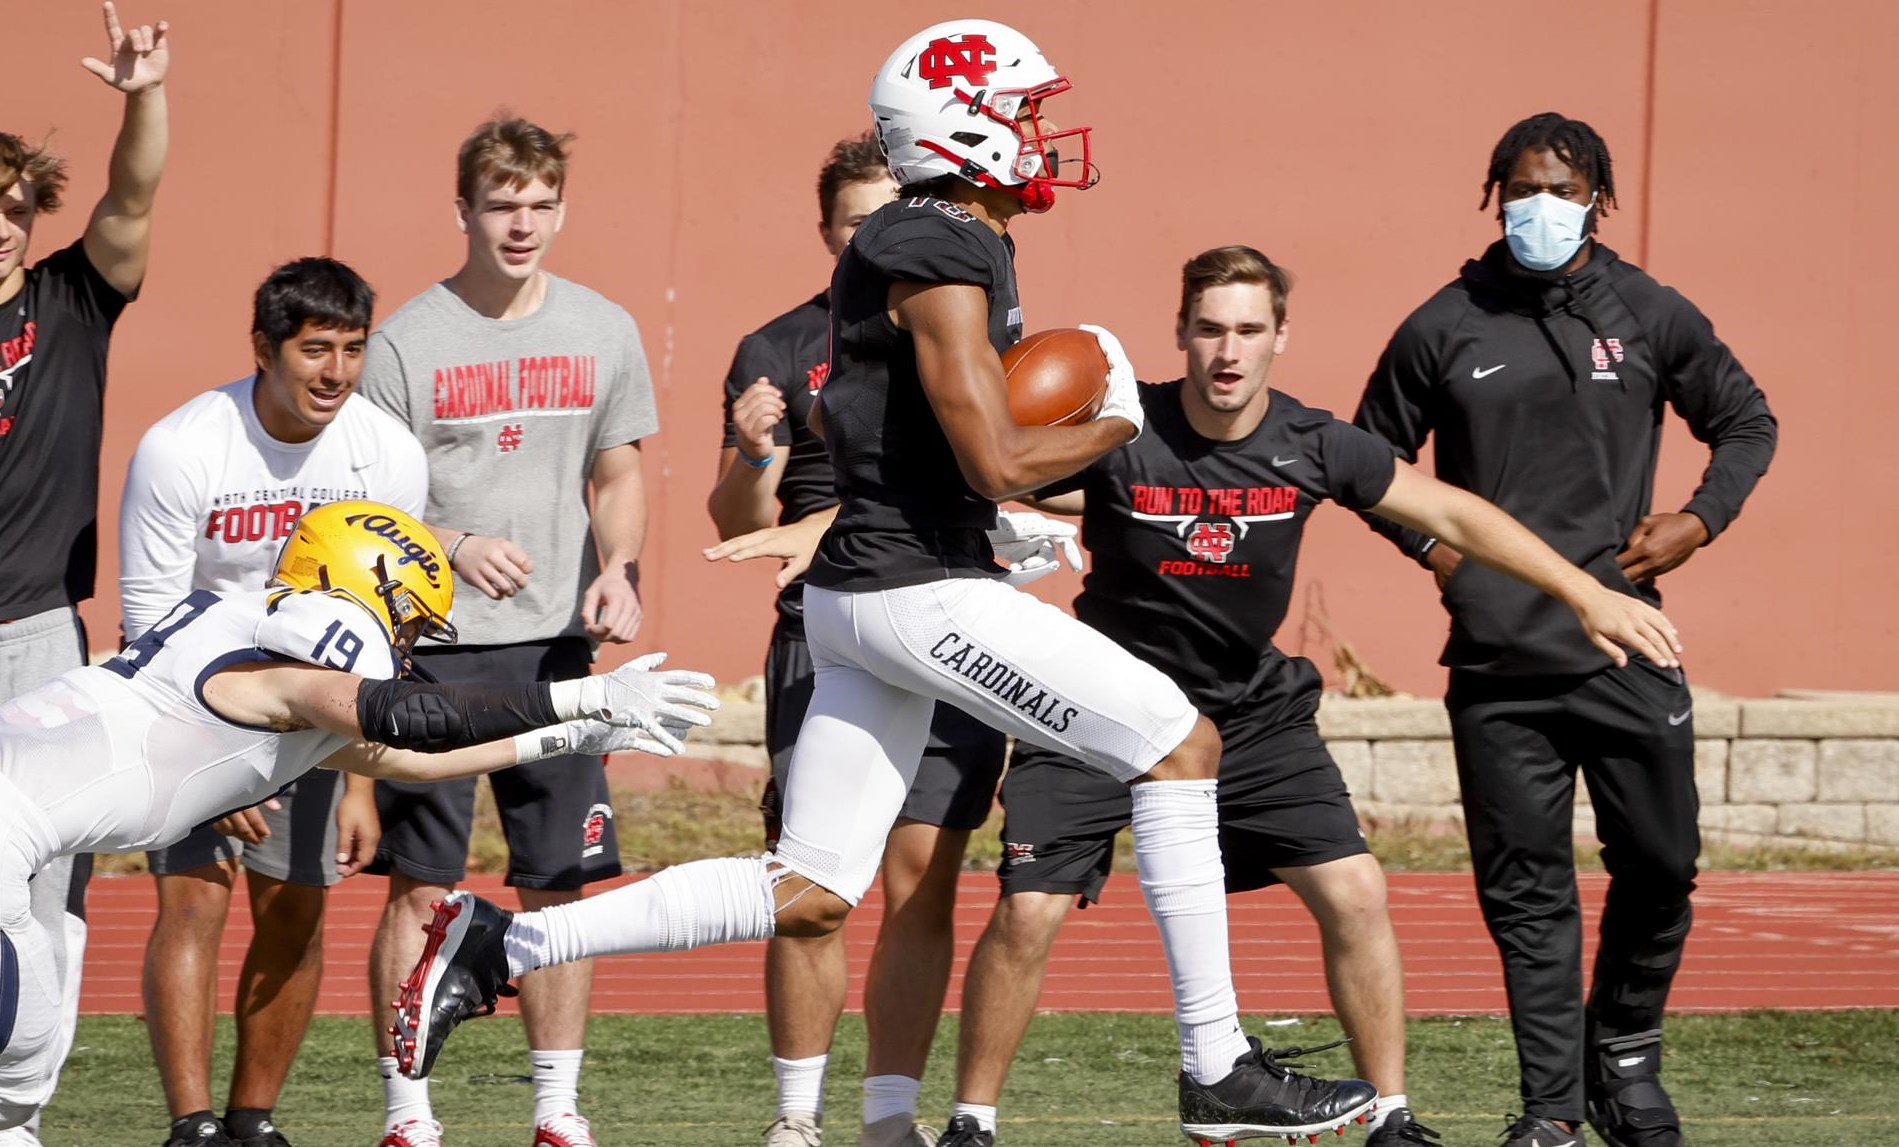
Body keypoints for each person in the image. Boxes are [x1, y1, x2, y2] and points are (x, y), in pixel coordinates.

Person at [400, 21, 1628, 1146]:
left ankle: (506, 936)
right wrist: (1107, 425)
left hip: (868, 591)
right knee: (1179, 741)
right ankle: (1216, 1060)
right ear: (961, 121)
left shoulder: (944, 237)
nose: (1039, 135)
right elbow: (994, 456)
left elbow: (956, 454)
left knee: (811, 884)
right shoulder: (936, 240)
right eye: (1020, 110)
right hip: (912, 588)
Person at [0, 501, 717, 1138]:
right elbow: (414, 717)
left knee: (21, 1074)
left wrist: (572, 735)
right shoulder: (294, 668)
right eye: (407, 618)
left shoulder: (257, 650)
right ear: (364, 590)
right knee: (18, 1058)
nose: (408, 645)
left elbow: (411, 761)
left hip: (14, 833)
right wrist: (580, 692)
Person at [1352, 112, 1777, 1147]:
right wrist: (1438, 556)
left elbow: (1747, 419)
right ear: (1494, 193)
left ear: (1599, 198)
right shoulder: (1442, 324)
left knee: (1664, 864)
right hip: (1499, 667)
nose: (1540, 206)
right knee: (1529, 896)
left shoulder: (1647, 312)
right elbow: (1366, 461)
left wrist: (1697, 519)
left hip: (1627, 648)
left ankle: (1624, 1055)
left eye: (1563, 187)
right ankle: (1552, 1109)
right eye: (1523, 188)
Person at [357, 117, 660, 1147]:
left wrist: (618, 571)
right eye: (502, 205)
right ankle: (409, 1112)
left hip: (555, 649)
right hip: (430, 649)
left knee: (560, 886)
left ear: (561, 208)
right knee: (422, 885)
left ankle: (557, 1111)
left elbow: (616, 472)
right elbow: (370, 506)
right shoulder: (406, 339)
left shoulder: (604, 327)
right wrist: (451, 542)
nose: (522, 224)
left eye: (540, 204)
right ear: (465, 212)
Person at [704, 133, 1006, 1147]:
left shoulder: (969, 319)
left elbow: (992, 470)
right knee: (812, 891)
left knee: (922, 880)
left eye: (891, 216)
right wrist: (755, 456)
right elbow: (732, 519)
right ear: (826, 231)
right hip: (827, 630)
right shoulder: (779, 346)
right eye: (854, 222)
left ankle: (889, 1118)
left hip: (951, 616)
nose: (875, 237)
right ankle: (796, 1117)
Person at [117, 259, 427, 1147]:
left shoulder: (385, 452)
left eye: (353, 350)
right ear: (264, 347)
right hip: (189, 701)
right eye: (314, 349)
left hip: (318, 711)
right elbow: (150, 620)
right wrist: (223, 767)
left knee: (296, 903)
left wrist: (363, 777)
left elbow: (384, 625)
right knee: (194, 900)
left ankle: (254, 1120)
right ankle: (191, 1124)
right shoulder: (184, 445)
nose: (335, 372)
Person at [0, 7, 169, 1144]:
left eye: (17, 208)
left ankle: (14, 1113)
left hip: (32, 634)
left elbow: (134, 201)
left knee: (46, 891)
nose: (6, 227)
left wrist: (143, 99)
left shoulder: (69, 302)